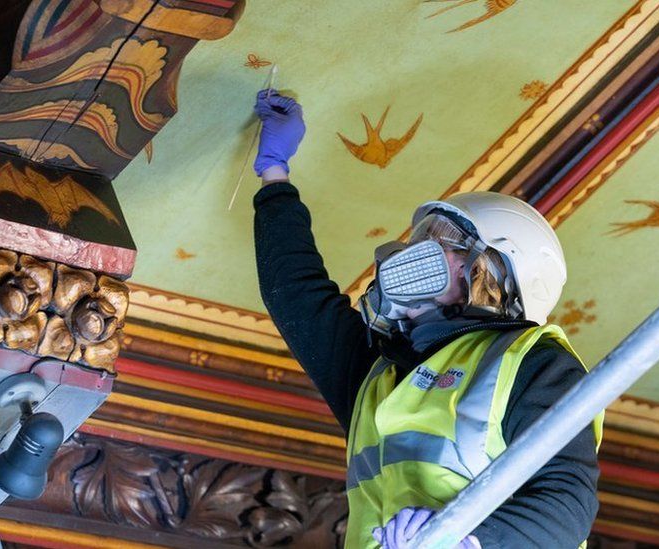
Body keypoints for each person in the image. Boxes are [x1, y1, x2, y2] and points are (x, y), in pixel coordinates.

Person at [252, 89, 604, 549]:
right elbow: (296, 296)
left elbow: (567, 503)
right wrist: (274, 172)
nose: (414, 253)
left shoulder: (531, 362)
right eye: (419, 238)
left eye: (441, 243)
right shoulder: (382, 374)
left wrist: (467, 539)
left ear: (493, 270)